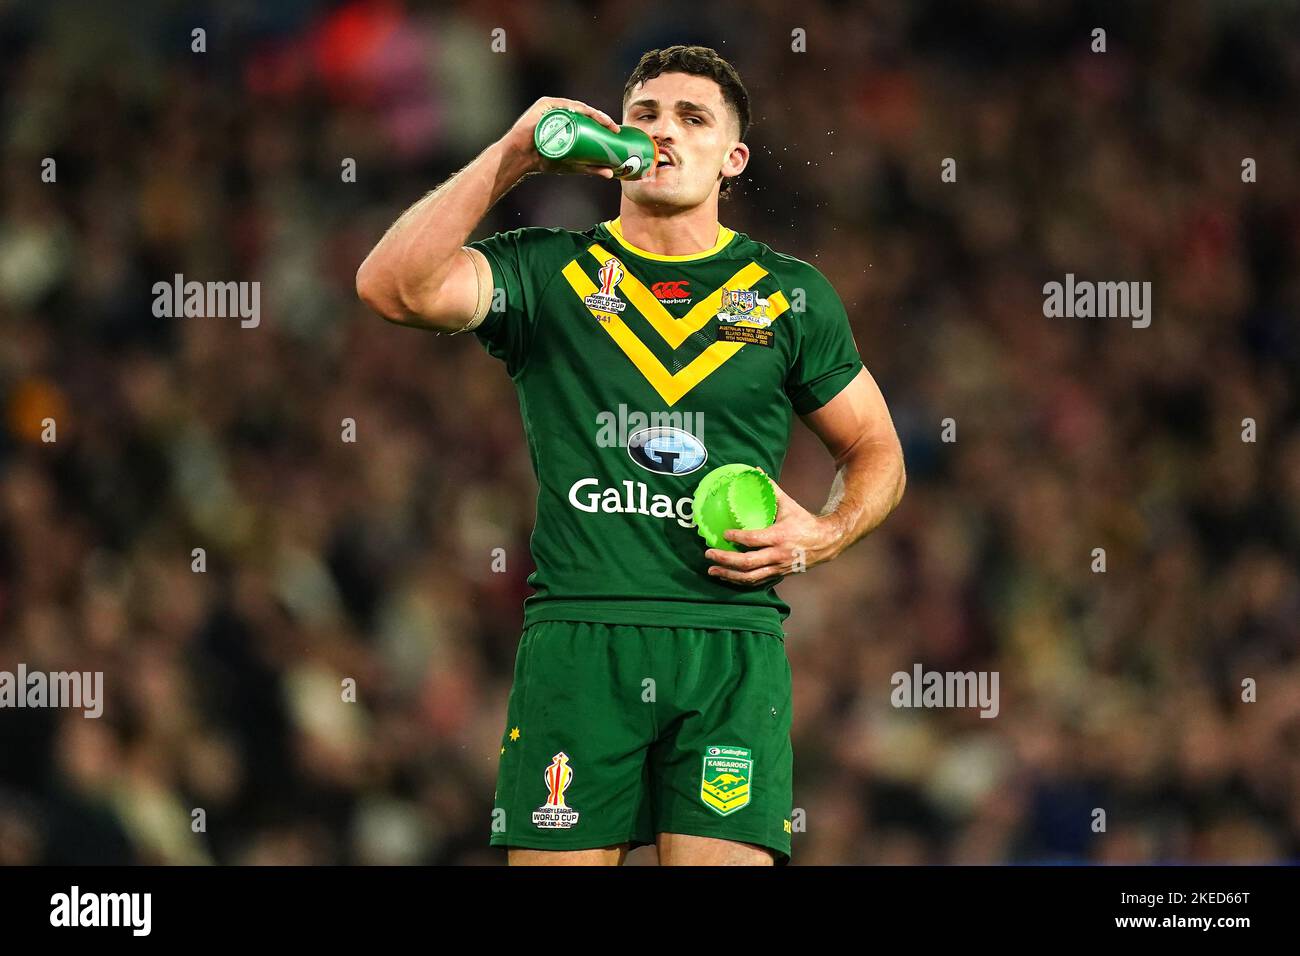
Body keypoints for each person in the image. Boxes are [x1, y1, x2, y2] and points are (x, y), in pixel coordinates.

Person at [356, 45, 905, 866]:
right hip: (579, 641)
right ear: (615, 141)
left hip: (728, 643)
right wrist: (513, 153)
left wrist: (825, 534)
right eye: (645, 115)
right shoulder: (548, 271)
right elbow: (391, 286)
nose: (664, 131)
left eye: (693, 118)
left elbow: (876, 450)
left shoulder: (790, 295)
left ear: (734, 158)